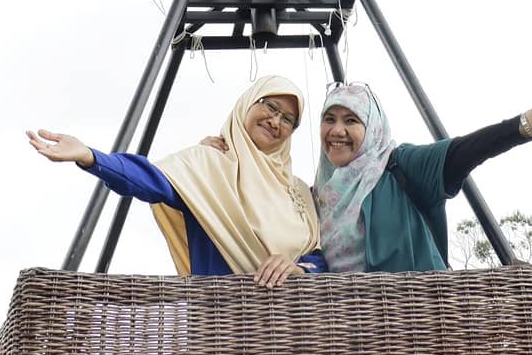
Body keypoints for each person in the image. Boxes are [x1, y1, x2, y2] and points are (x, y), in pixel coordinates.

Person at [26, 74, 323, 287]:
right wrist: (92, 157)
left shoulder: (297, 190)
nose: (275, 122)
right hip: (224, 330)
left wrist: (299, 270)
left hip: (291, 338)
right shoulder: (208, 165)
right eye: (270, 107)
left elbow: (321, 257)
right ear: (247, 104)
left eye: (288, 119)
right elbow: (151, 180)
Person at [315, 76, 532, 272]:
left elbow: (463, 152)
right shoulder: (319, 196)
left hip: (415, 331)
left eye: (351, 120)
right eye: (330, 119)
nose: (337, 131)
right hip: (352, 341)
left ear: (373, 129)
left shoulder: (398, 165)